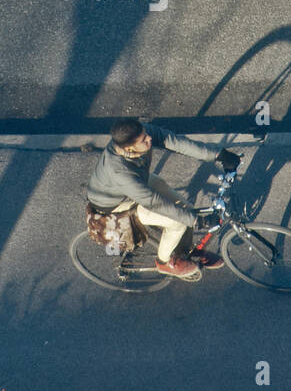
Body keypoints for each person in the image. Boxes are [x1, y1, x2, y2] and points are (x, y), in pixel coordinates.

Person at [86, 117, 242, 279]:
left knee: (186, 208)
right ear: (129, 148)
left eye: (146, 134)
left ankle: (185, 252)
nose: (149, 138)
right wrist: (196, 221)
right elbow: (153, 202)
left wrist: (217, 155)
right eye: (144, 140)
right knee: (178, 221)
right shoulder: (119, 171)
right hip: (119, 203)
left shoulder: (139, 133)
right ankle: (164, 262)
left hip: (138, 182)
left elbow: (174, 141)